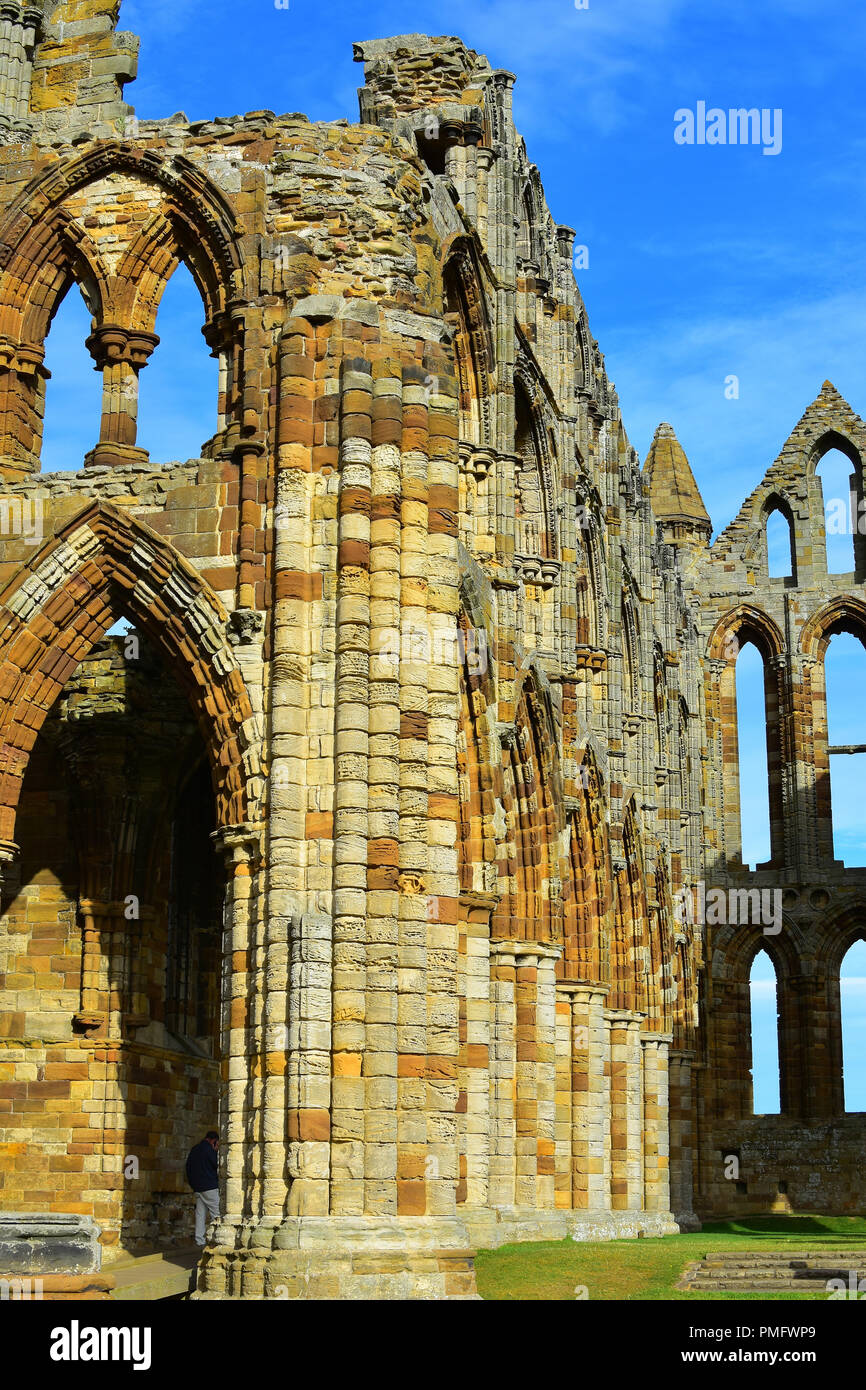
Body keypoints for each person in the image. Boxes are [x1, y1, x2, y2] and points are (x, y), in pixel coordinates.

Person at [186, 1130, 220, 1248]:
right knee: (217, 1213)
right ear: (214, 1141)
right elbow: (216, 1165)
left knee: (200, 1214)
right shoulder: (209, 1150)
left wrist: (193, 1184)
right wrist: (215, 1152)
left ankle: (199, 1240)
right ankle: (217, 1238)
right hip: (209, 1186)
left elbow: (188, 1167)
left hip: (197, 1187)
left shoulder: (194, 1149)